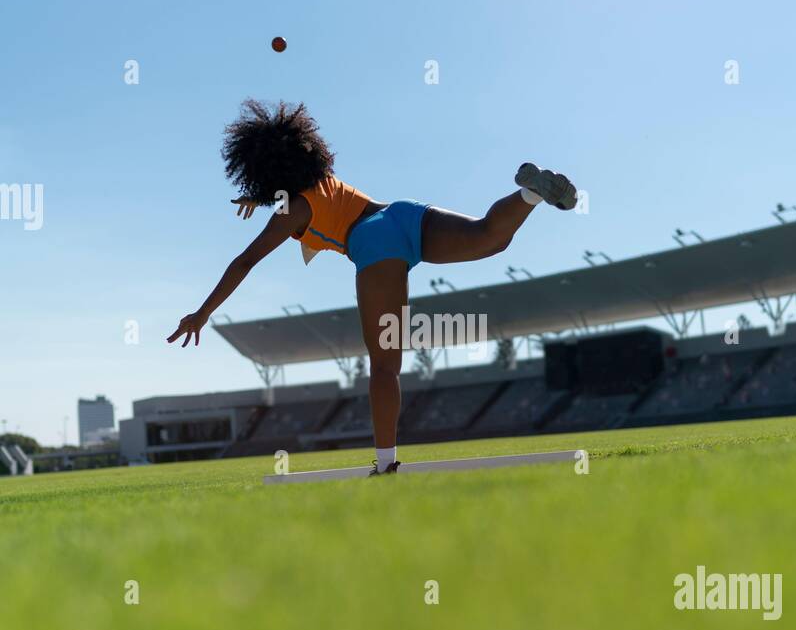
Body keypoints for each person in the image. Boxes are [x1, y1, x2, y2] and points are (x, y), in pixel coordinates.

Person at [168, 99, 577, 474]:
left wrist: (202, 313)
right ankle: (529, 194)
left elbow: (246, 261)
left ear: (259, 169)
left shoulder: (291, 210)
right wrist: (261, 198)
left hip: (371, 241)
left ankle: (386, 464)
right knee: (489, 236)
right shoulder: (321, 177)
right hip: (401, 214)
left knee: (384, 364)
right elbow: (287, 188)